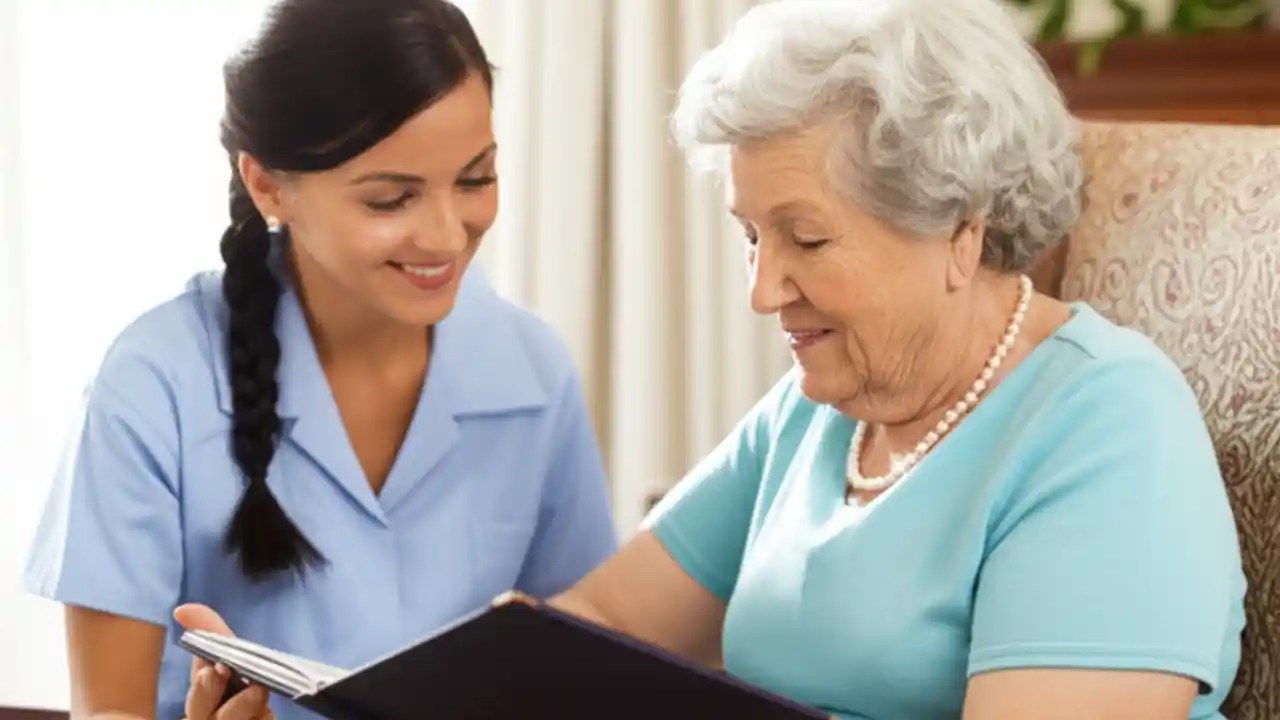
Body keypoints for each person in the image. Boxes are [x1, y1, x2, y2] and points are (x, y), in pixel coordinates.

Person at [179, 0, 1247, 718]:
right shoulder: (822, 410)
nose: (760, 290)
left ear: (959, 227)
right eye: (750, 236)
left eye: (807, 239)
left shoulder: (1103, 429)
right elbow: (593, 632)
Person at [21, 1, 617, 718]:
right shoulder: (151, 387)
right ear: (269, 184)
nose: (446, 235)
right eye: (391, 198)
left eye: (474, 179)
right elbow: (107, 710)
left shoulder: (534, 374)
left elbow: (582, 667)